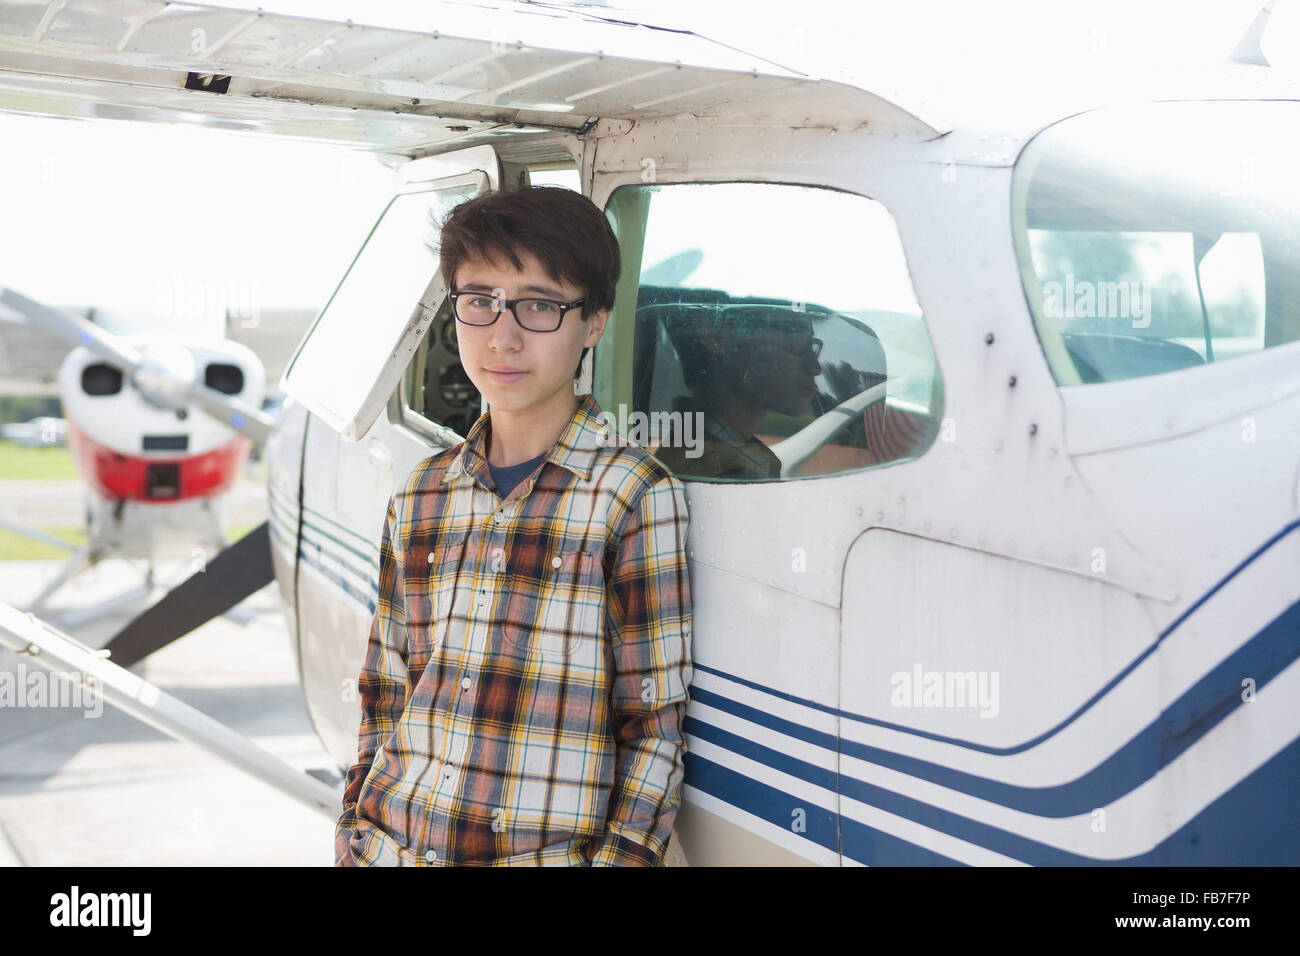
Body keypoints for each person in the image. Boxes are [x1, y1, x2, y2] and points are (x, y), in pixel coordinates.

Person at [333, 185, 693, 866]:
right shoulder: (422, 493)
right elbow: (385, 688)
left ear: (594, 323)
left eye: (538, 305)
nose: (502, 336)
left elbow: (653, 730)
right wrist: (352, 833)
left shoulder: (634, 496)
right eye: (479, 301)